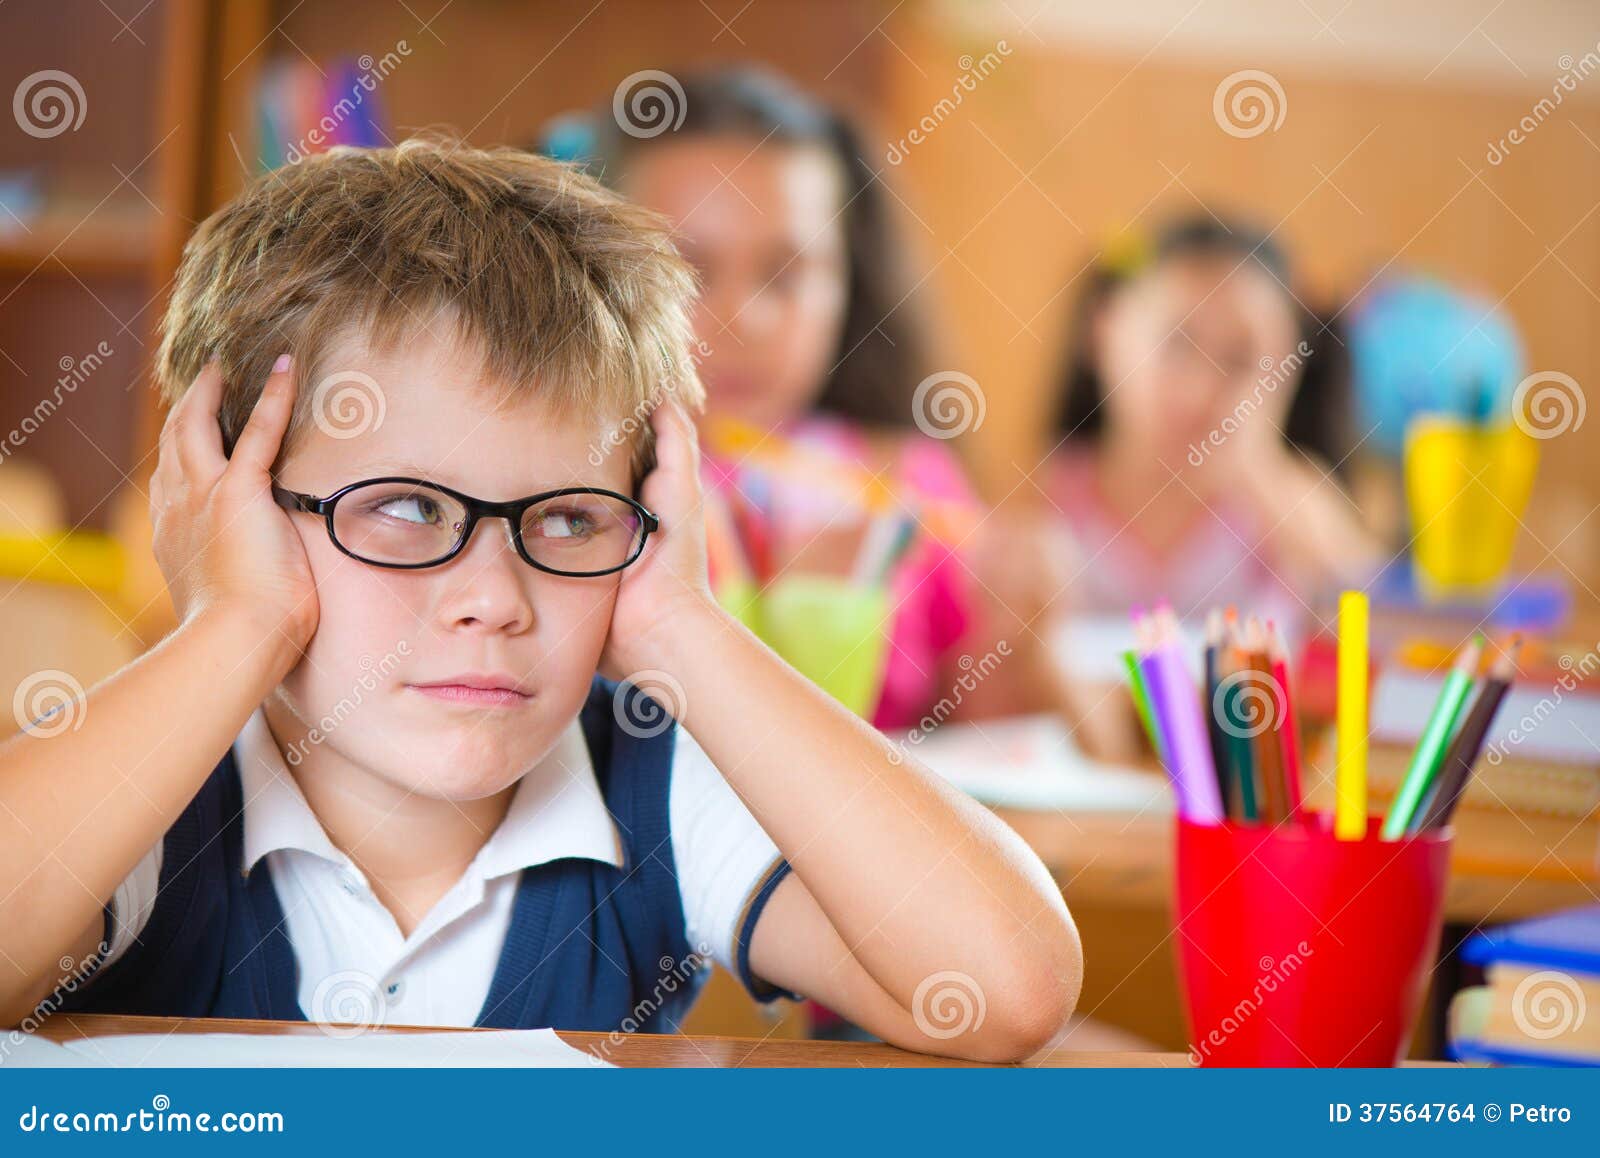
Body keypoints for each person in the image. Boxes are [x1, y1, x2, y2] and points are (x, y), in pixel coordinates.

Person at [0, 138, 1081, 1062]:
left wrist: (679, 628)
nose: (493, 599)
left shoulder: (649, 783)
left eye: (566, 520)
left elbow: (1007, 986)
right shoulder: (149, 789)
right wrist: (232, 622)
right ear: (227, 505)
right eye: (406, 508)